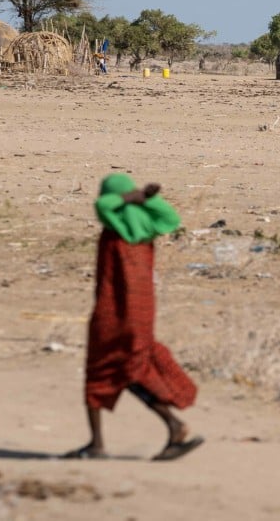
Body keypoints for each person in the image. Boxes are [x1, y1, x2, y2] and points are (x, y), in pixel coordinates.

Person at [64, 173, 203, 461]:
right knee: (132, 370)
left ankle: (100, 444)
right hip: (142, 314)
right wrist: (146, 198)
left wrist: (132, 197)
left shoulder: (115, 232)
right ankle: (171, 426)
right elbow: (169, 216)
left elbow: (103, 206)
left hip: (114, 315)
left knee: (102, 371)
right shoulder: (146, 234)